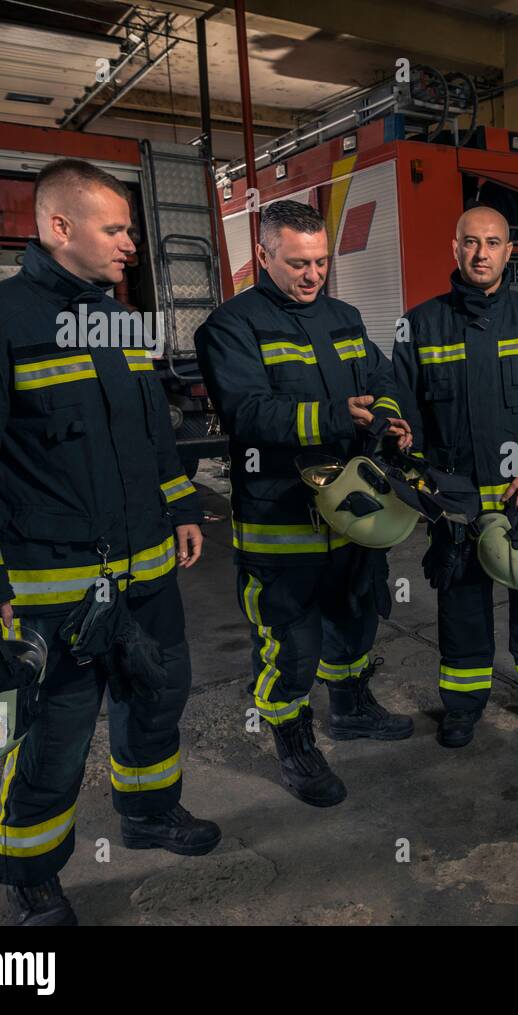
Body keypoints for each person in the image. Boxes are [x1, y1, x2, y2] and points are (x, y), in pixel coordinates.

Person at [0, 159, 218, 926]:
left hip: (146, 572)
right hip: (54, 589)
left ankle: (151, 813)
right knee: (54, 734)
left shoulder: (120, 323)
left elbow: (156, 433)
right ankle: (31, 872)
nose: (130, 246)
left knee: (155, 699)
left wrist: (180, 502)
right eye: (115, 229)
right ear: (60, 227)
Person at [195, 200, 414, 806]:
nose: (312, 275)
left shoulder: (344, 317)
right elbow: (247, 412)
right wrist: (333, 416)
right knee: (290, 645)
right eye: (297, 263)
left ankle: (350, 709)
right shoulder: (230, 327)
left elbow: (382, 379)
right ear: (263, 256)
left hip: (353, 513)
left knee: (354, 618)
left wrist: (392, 419)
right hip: (280, 519)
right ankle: (293, 745)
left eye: (320, 262)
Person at [394, 205, 518, 748]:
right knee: (461, 607)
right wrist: (424, 478)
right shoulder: (420, 323)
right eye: (471, 243)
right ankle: (462, 707)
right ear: (455, 248)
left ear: (509, 252)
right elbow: (405, 409)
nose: (481, 254)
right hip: (458, 503)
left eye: (493, 243)